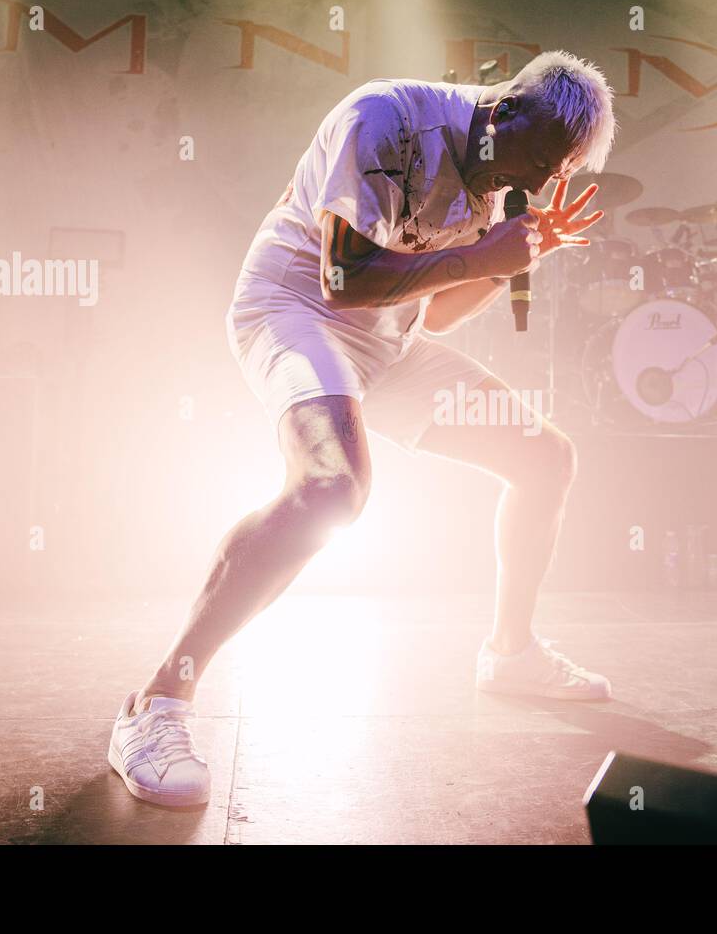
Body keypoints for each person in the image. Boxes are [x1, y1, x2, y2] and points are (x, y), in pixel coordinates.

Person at [109, 51, 617, 807]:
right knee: (331, 491)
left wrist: (516, 255)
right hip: (295, 312)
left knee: (546, 458)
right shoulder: (384, 119)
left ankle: (510, 653)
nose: (538, 185)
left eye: (555, 172)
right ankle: (154, 706)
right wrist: (487, 254)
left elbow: (436, 309)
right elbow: (341, 280)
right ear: (505, 110)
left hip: (387, 339)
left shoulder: (495, 175)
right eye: (540, 161)